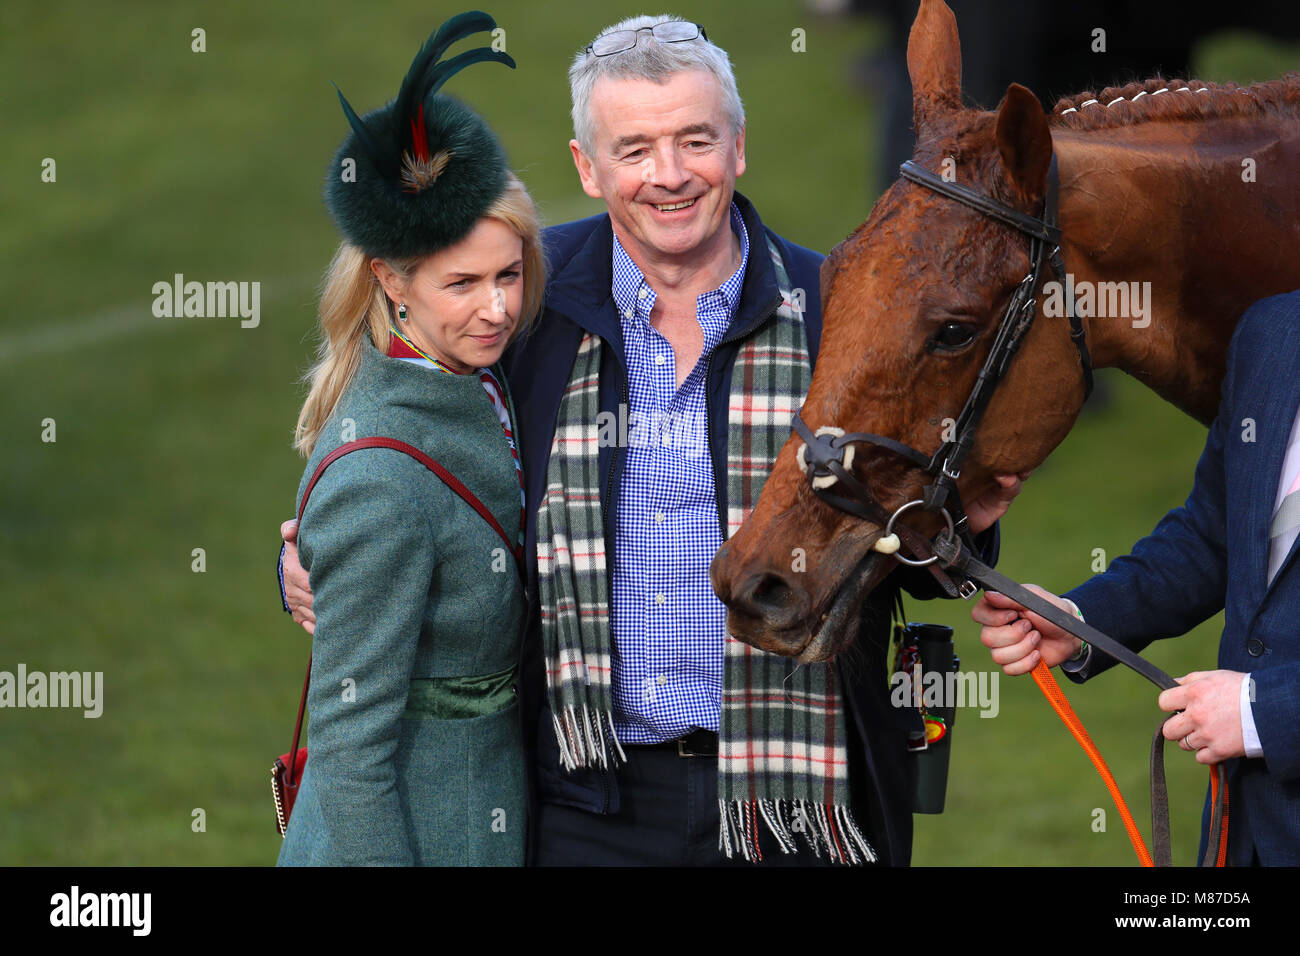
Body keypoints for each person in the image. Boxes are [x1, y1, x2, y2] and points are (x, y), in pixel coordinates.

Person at [282, 14, 1023, 866]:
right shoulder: (522, 308)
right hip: (584, 800)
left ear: (739, 148)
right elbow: (396, 449)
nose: (668, 177)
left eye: (694, 141)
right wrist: (304, 567)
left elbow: (921, 551)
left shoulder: (840, 311)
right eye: (633, 150)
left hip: (800, 805)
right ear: (586, 169)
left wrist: (969, 520)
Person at [276, 12, 544, 866]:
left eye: (509, 275)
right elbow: (352, 755)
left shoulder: (481, 373)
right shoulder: (378, 481)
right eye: (461, 283)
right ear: (391, 282)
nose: (497, 307)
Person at [972, 290, 1300, 866]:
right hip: (1243, 836)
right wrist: (1082, 621)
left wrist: (1261, 710)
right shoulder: (1272, 331)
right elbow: (1215, 535)